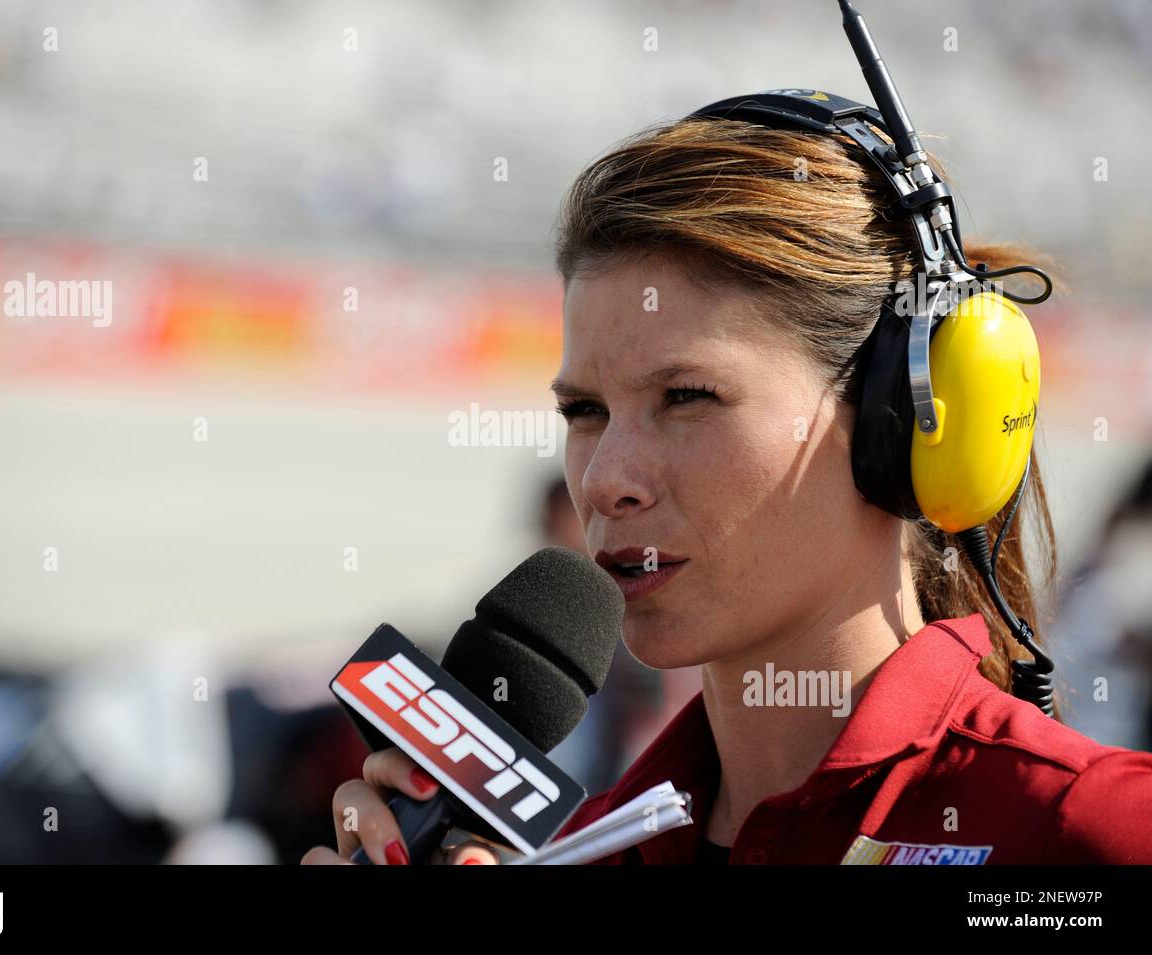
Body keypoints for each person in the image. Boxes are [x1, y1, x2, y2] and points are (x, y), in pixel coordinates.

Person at [302, 113, 1152, 866]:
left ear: (899, 425)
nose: (604, 480)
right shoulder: (579, 849)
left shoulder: (1098, 829)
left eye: (686, 397)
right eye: (585, 411)